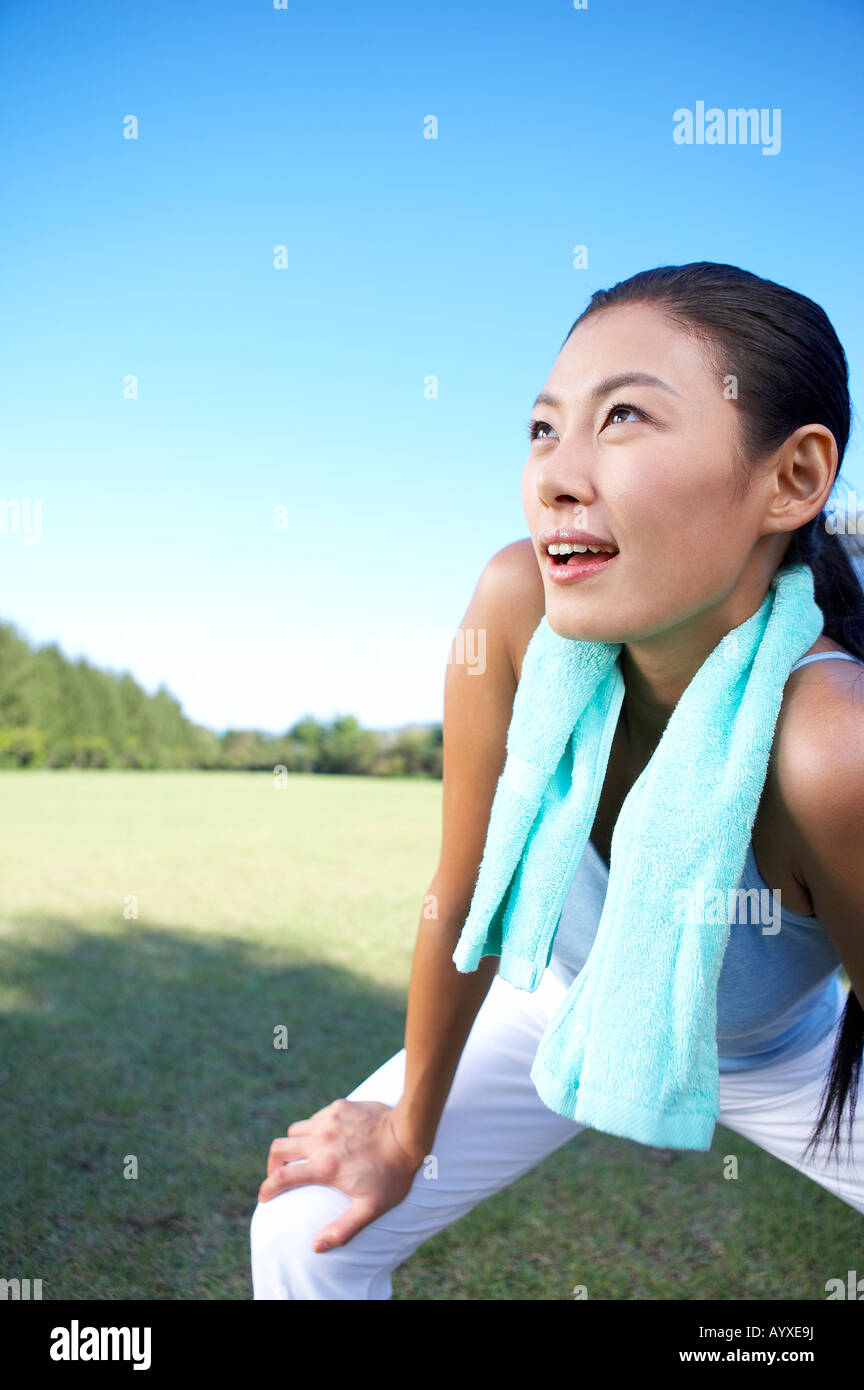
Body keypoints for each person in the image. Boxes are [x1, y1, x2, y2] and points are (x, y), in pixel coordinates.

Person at [249, 262, 864, 1300]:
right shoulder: (513, 608)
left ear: (794, 479)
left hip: (780, 1050)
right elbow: (460, 888)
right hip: (558, 996)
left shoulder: (830, 745)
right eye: (543, 428)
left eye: (623, 416)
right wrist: (406, 1131)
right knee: (307, 1225)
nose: (556, 476)